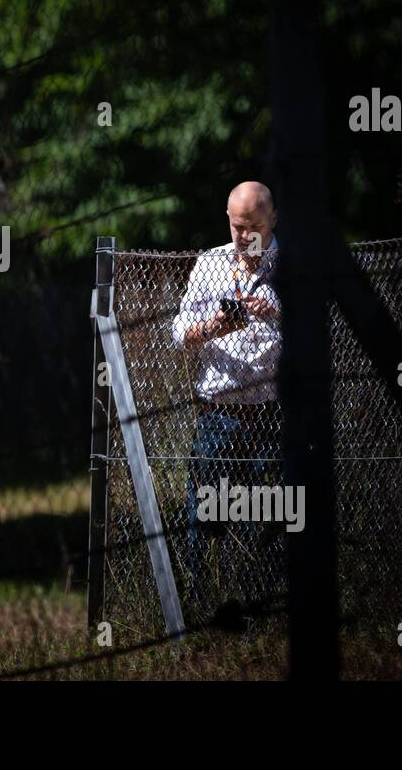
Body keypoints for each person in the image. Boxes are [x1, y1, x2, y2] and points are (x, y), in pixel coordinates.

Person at [169, 181, 284, 612]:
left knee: (273, 512)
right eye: (237, 226)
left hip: (275, 411)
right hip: (219, 412)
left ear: (273, 219)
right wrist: (216, 325)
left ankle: (268, 605)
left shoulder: (292, 266)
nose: (243, 235)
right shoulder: (211, 263)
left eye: (253, 225)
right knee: (205, 511)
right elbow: (181, 333)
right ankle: (201, 604)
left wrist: (278, 313)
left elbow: (323, 337)